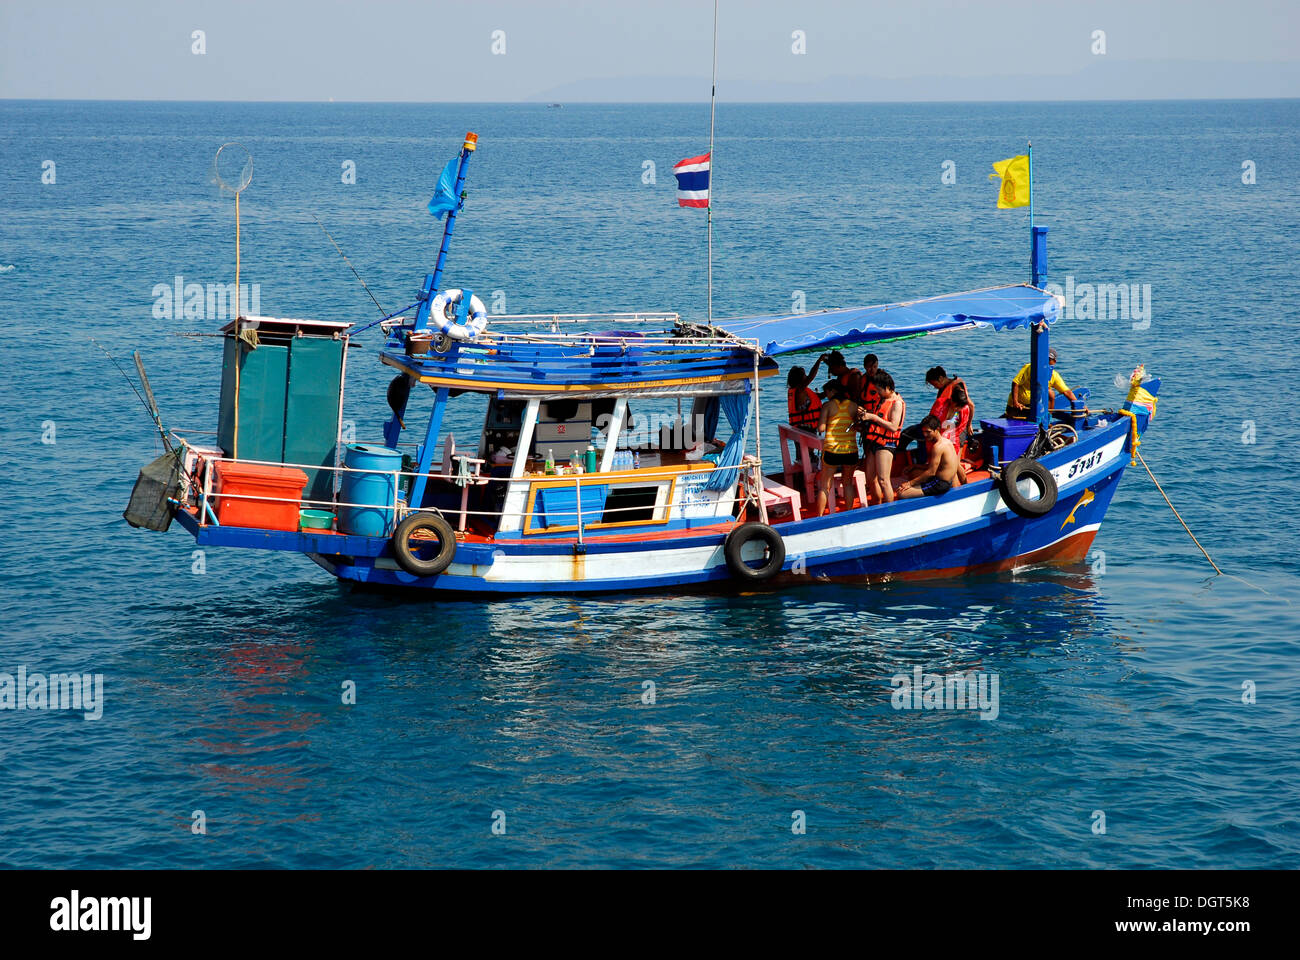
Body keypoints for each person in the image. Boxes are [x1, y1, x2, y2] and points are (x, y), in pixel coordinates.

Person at [815, 380, 862, 516]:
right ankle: (848, 514)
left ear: (832, 391)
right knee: (847, 483)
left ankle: (819, 517)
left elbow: (821, 428)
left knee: (825, 486)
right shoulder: (854, 406)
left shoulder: (828, 406)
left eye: (827, 392)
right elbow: (859, 426)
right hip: (850, 450)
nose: (827, 395)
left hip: (832, 450)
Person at [898, 366, 966, 457]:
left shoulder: (957, 392)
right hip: (939, 425)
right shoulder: (944, 394)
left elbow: (969, 406)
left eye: (934, 384)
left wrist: (968, 425)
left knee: (921, 435)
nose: (934, 387)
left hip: (949, 428)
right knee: (909, 434)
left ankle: (923, 461)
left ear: (941, 379)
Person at [859, 370, 905, 504]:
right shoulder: (881, 399)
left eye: (879, 390)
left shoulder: (897, 403)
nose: (877, 393)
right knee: (870, 478)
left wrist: (872, 417)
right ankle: (877, 504)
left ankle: (890, 509)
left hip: (886, 443)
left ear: (888, 387)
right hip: (874, 441)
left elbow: (893, 426)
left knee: (883, 480)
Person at [897, 416, 962, 498]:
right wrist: (914, 466)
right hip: (946, 481)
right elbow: (937, 467)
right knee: (914, 472)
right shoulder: (947, 441)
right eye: (923, 432)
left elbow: (931, 472)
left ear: (937, 429)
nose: (925, 435)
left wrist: (909, 484)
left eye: (928, 432)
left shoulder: (937, 447)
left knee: (901, 493)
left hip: (939, 484)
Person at [1005, 347, 1075, 419]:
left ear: (1054, 361)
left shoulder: (1054, 375)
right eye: (1043, 358)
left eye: (1048, 359)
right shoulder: (1029, 368)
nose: (1045, 361)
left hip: (1035, 407)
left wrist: (1081, 406)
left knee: (1051, 393)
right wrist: (1015, 402)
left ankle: (1047, 419)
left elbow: (1067, 392)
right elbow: (1015, 383)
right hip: (1018, 406)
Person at [786, 363, 823, 433]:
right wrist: (819, 361)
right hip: (805, 430)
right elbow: (811, 377)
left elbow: (817, 397)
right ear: (799, 378)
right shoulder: (799, 391)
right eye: (804, 375)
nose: (806, 376)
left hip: (799, 430)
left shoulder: (799, 392)